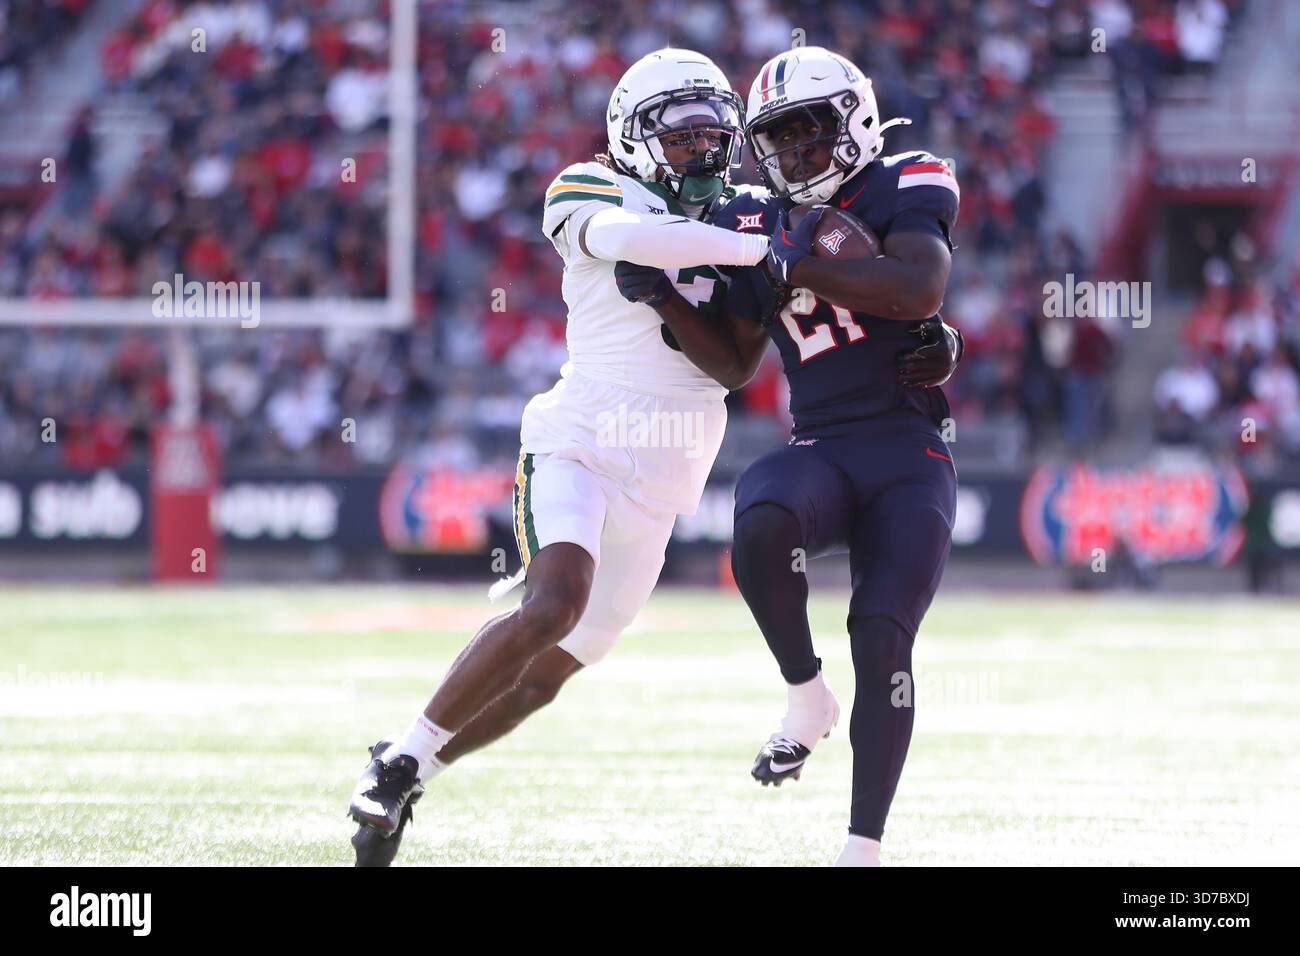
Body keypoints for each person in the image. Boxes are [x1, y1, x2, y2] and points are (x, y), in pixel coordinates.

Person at [345, 49, 773, 866]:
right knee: (553, 604)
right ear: (635, 136)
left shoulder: (744, 212)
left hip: (667, 471)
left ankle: (414, 769)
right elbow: (626, 236)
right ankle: (400, 761)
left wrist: (714, 280)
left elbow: (737, 367)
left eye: (716, 138)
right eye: (683, 139)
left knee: (548, 677)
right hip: (579, 437)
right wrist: (768, 251)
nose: (705, 154)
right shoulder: (591, 184)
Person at [614, 46, 963, 866]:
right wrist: (664, 293)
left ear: (856, 119)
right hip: (822, 443)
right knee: (764, 509)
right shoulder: (753, 216)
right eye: (781, 137)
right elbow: (737, 363)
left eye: (812, 131)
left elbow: (918, 290)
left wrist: (793, 265)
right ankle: (806, 695)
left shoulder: (905, 177)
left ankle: (861, 848)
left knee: (881, 632)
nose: (797, 152)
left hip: (910, 446)